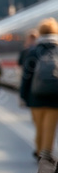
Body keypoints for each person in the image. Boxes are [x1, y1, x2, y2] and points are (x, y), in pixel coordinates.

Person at [21, 18, 58, 159]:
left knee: (39, 127)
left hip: (35, 96)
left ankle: (38, 150)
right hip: (55, 96)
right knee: (50, 128)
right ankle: (45, 154)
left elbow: (26, 76)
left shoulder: (33, 52)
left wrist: (23, 96)